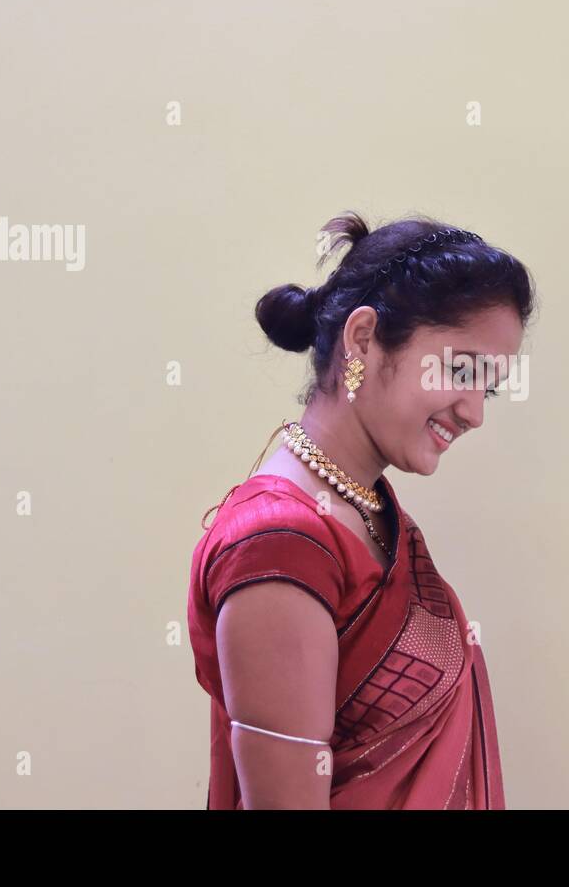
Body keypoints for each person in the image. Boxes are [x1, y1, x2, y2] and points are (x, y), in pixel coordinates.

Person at [186, 210, 537, 808]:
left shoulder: (366, 509)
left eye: (490, 387)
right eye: (460, 369)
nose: (475, 412)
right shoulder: (280, 543)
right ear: (363, 339)